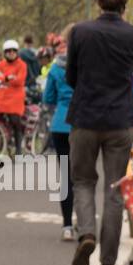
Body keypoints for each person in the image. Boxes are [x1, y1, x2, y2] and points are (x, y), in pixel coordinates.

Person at [65, 0, 133, 265]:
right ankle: (108, 264)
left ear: (98, 1)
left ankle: (86, 233)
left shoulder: (80, 32)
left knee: (83, 181)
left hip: (85, 117)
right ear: (124, 4)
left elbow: (71, 75)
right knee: (115, 190)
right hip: (119, 120)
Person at [41, 25, 76, 240]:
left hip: (60, 125)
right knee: (83, 177)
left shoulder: (55, 68)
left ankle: (67, 225)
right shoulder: (86, 66)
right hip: (83, 124)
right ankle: (86, 221)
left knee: (66, 177)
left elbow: (48, 99)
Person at [0, 40, 28, 153]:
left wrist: (4, 78)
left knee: (15, 121)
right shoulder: (1, 64)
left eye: (14, 51)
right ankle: (0, 143)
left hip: (15, 98)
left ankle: (18, 148)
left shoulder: (22, 65)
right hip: (2, 97)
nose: (11, 53)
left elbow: (19, 80)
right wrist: (9, 78)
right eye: (8, 51)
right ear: (5, 53)